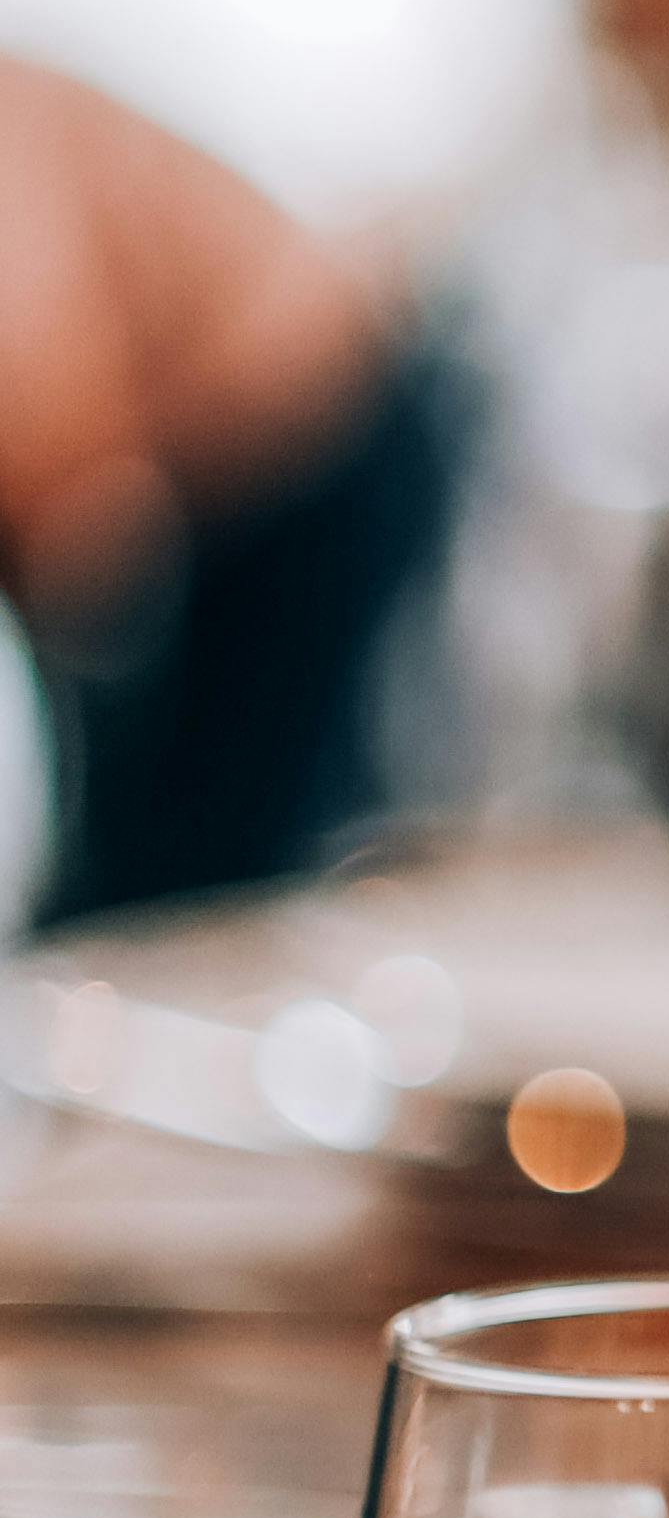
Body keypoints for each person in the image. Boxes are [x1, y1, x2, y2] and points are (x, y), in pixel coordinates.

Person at [0, 56, 454, 920]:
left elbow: (71, 442)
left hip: (317, 429)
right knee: (136, 874)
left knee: (208, 873)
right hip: (214, 461)